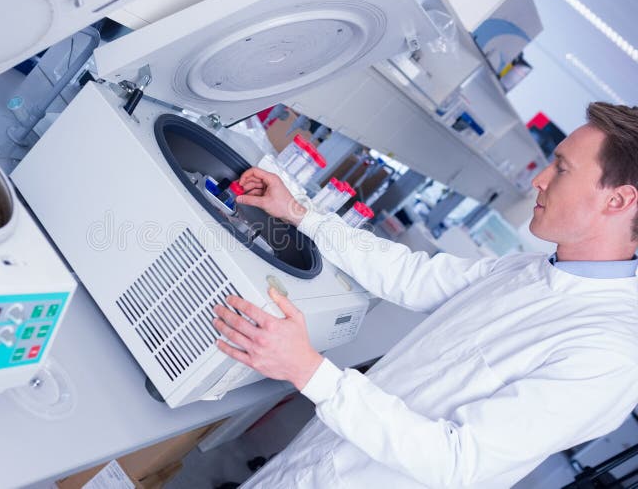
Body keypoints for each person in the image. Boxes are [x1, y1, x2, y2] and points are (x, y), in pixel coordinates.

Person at [211, 102, 638, 488]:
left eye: (561, 169)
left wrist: (308, 370)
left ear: (618, 200)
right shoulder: (529, 270)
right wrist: (300, 213)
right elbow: (411, 276)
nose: (540, 180)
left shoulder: (609, 352)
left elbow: (458, 461)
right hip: (315, 460)